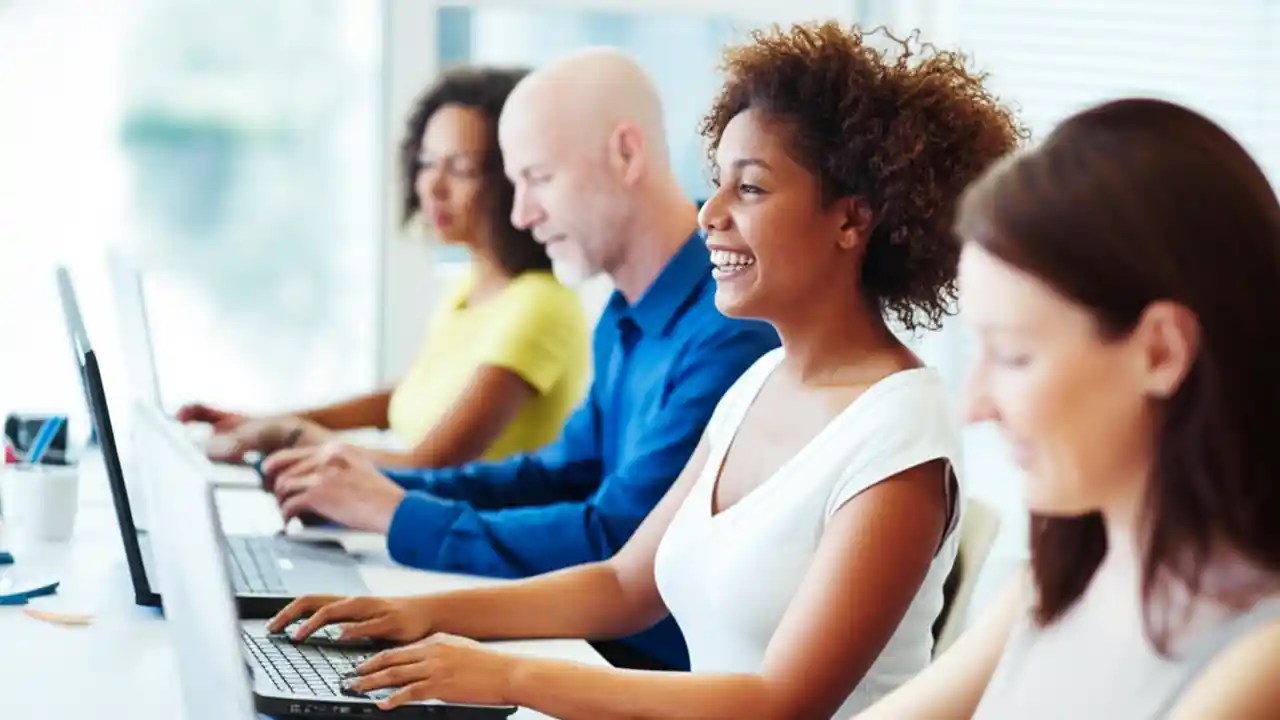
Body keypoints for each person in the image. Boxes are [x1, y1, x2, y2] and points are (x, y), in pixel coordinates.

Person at [265, 22, 1021, 717]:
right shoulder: (759, 385)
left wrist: (509, 676)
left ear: (852, 220)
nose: (708, 212)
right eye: (716, 178)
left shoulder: (898, 432)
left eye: (749, 187)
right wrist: (423, 614)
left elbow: (778, 704)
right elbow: (625, 584)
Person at [259, 47, 782, 671]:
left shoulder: (730, 333)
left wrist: (397, 513)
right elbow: (555, 473)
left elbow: (615, 540)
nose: (520, 213)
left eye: (538, 178)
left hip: (638, 670)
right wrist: (375, 489)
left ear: (626, 154)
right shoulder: (624, 314)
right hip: (584, 646)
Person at [859, 98, 1280, 719]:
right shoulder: (1055, 583)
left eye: (1013, 355)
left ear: (1160, 351)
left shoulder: (1256, 663)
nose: (974, 406)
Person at [177, 66, 589, 470]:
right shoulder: (469, 290)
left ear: (514, 178)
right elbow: (405, 401)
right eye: (427, 163)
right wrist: (260, 421)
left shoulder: (540, 307)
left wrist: (286, 435)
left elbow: (427, 466)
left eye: (461, 169)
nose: (432, 186)